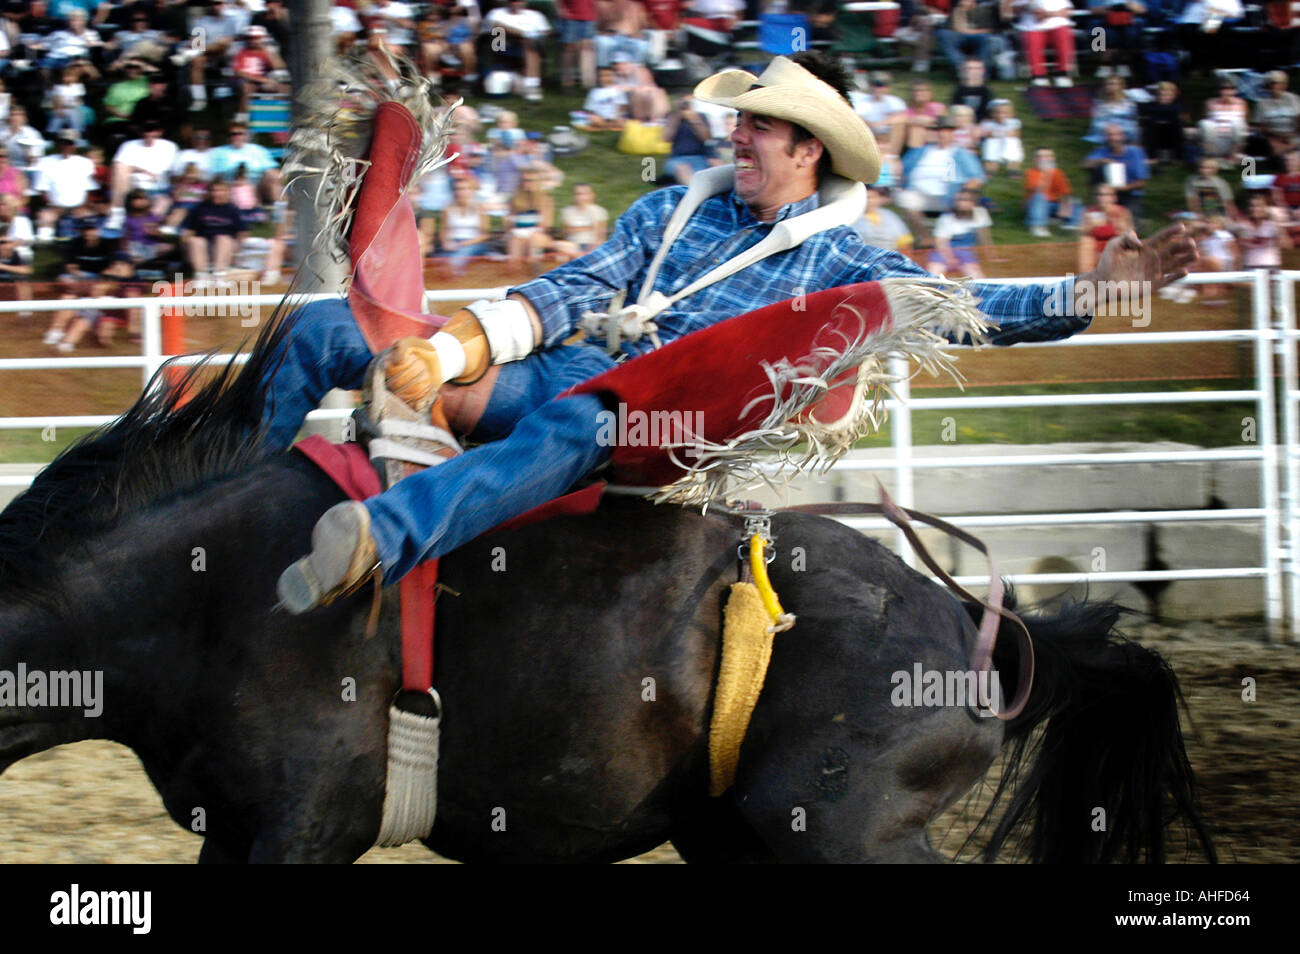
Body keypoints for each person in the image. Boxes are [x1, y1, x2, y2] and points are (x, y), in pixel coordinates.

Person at [262, 52, 1196, 613]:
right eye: (740, 123)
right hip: (570, 371)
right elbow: (575, 285)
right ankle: (219, 490)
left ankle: (383, 538)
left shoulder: (850, 263)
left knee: (586, 423)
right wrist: (458, 348)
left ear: (809, 151)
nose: (739, 138)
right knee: (327, 331)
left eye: (761, 129)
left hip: (667, 424)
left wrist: (1091, 296)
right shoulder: (673, 209)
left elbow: (959, 308)